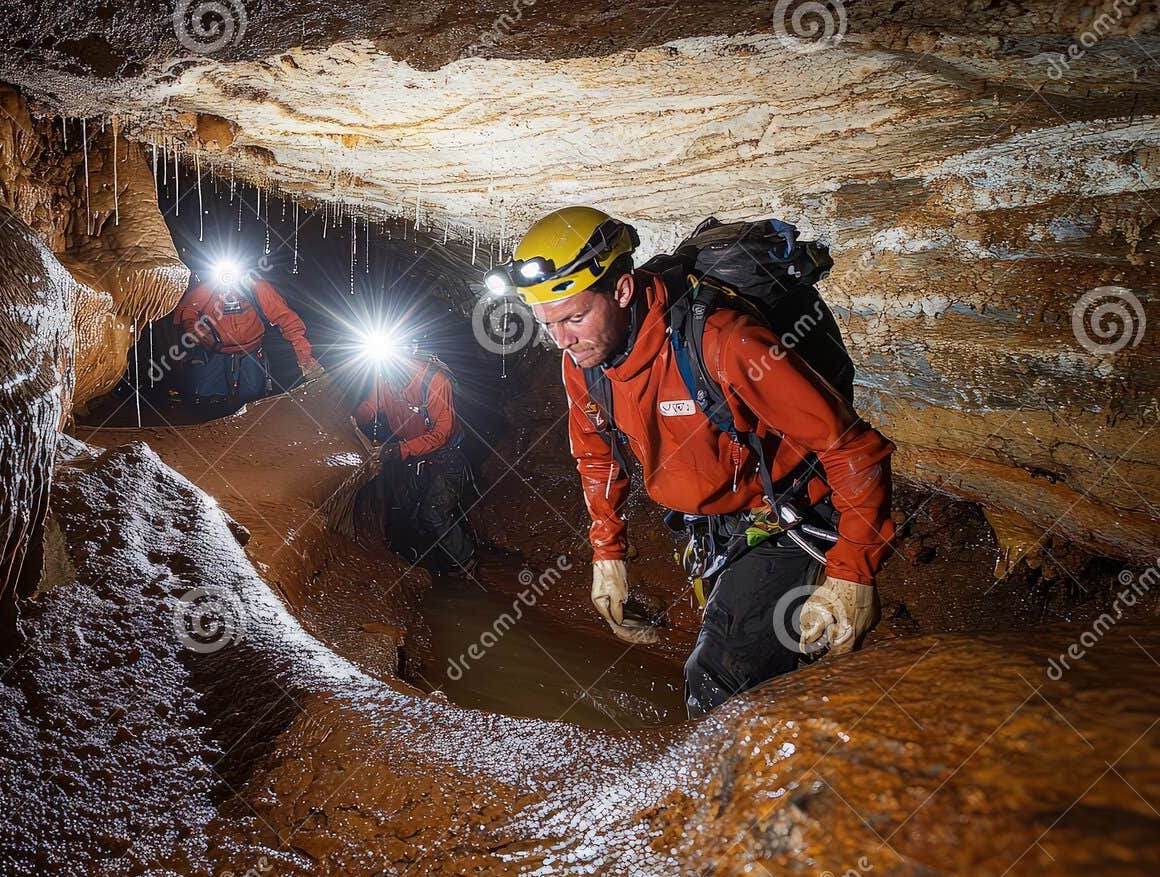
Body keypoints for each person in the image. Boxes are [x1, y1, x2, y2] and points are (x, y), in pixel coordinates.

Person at [495, 206, 896, 716]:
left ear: (621, 290)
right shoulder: (583, 362)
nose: (563, 341)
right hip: (710, 528)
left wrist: (853, 575)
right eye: (548, 324)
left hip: (787, 521)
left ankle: (721, 794)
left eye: (574, 318)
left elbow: (853, 448)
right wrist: (608, 553)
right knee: (765, 672)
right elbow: (598, 458)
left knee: (717, 679)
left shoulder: (726, 343)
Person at [354, 349, 478, 578]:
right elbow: (371, 406)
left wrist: (399, 450)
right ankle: (422, 564)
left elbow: (441, 434)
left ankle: (465, 565)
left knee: (433, 512)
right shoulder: (384, 377)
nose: (388, 380)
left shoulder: (434, 381)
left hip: (447, 455)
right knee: (407, 510)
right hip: (415, 455)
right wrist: (352, 418)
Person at [172, 268, 322, 407]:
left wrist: (304, 356)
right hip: (215, 354)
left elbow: (286, 320)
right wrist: (195, 329)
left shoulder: (256, 288)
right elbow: (188, 310)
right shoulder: (207, 289)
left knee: (253, 401)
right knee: (207, 399)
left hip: (250, 352)